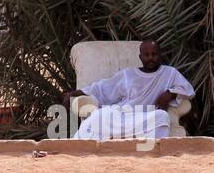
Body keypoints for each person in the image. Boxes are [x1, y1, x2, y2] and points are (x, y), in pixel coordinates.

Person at [63, 40, 194, 141]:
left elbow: (188, 90)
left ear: (160, 55)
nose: (150, 58)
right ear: (140, 57)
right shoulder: (128, 74)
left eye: (154, 54)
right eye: (146, 55)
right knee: (99, 116)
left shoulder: (169, 73)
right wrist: (74, 93)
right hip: (123, 115)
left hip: (145, 117)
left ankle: (151, 151)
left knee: (162, 117)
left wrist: (170, 93)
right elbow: (102, 88)